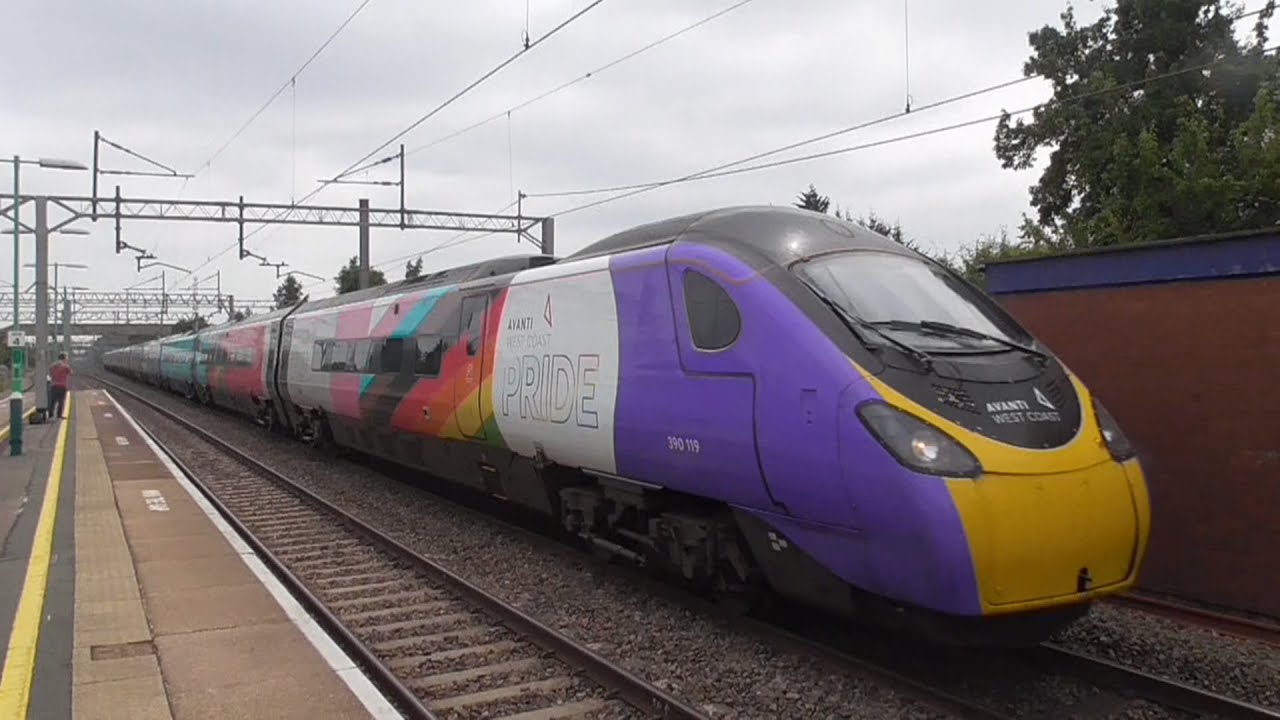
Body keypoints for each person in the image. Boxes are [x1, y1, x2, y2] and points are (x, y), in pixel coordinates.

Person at [50, 352, 72, 419]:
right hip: (62, 386)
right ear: (64, 358)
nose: (67, 359)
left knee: (53, 401)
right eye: (66, 358)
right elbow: (71, 373)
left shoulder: (53, 365)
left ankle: (51, 414)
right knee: (61, 401)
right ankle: (59, 415)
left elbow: (50, 373)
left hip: (54, 385)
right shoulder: (66, 366)